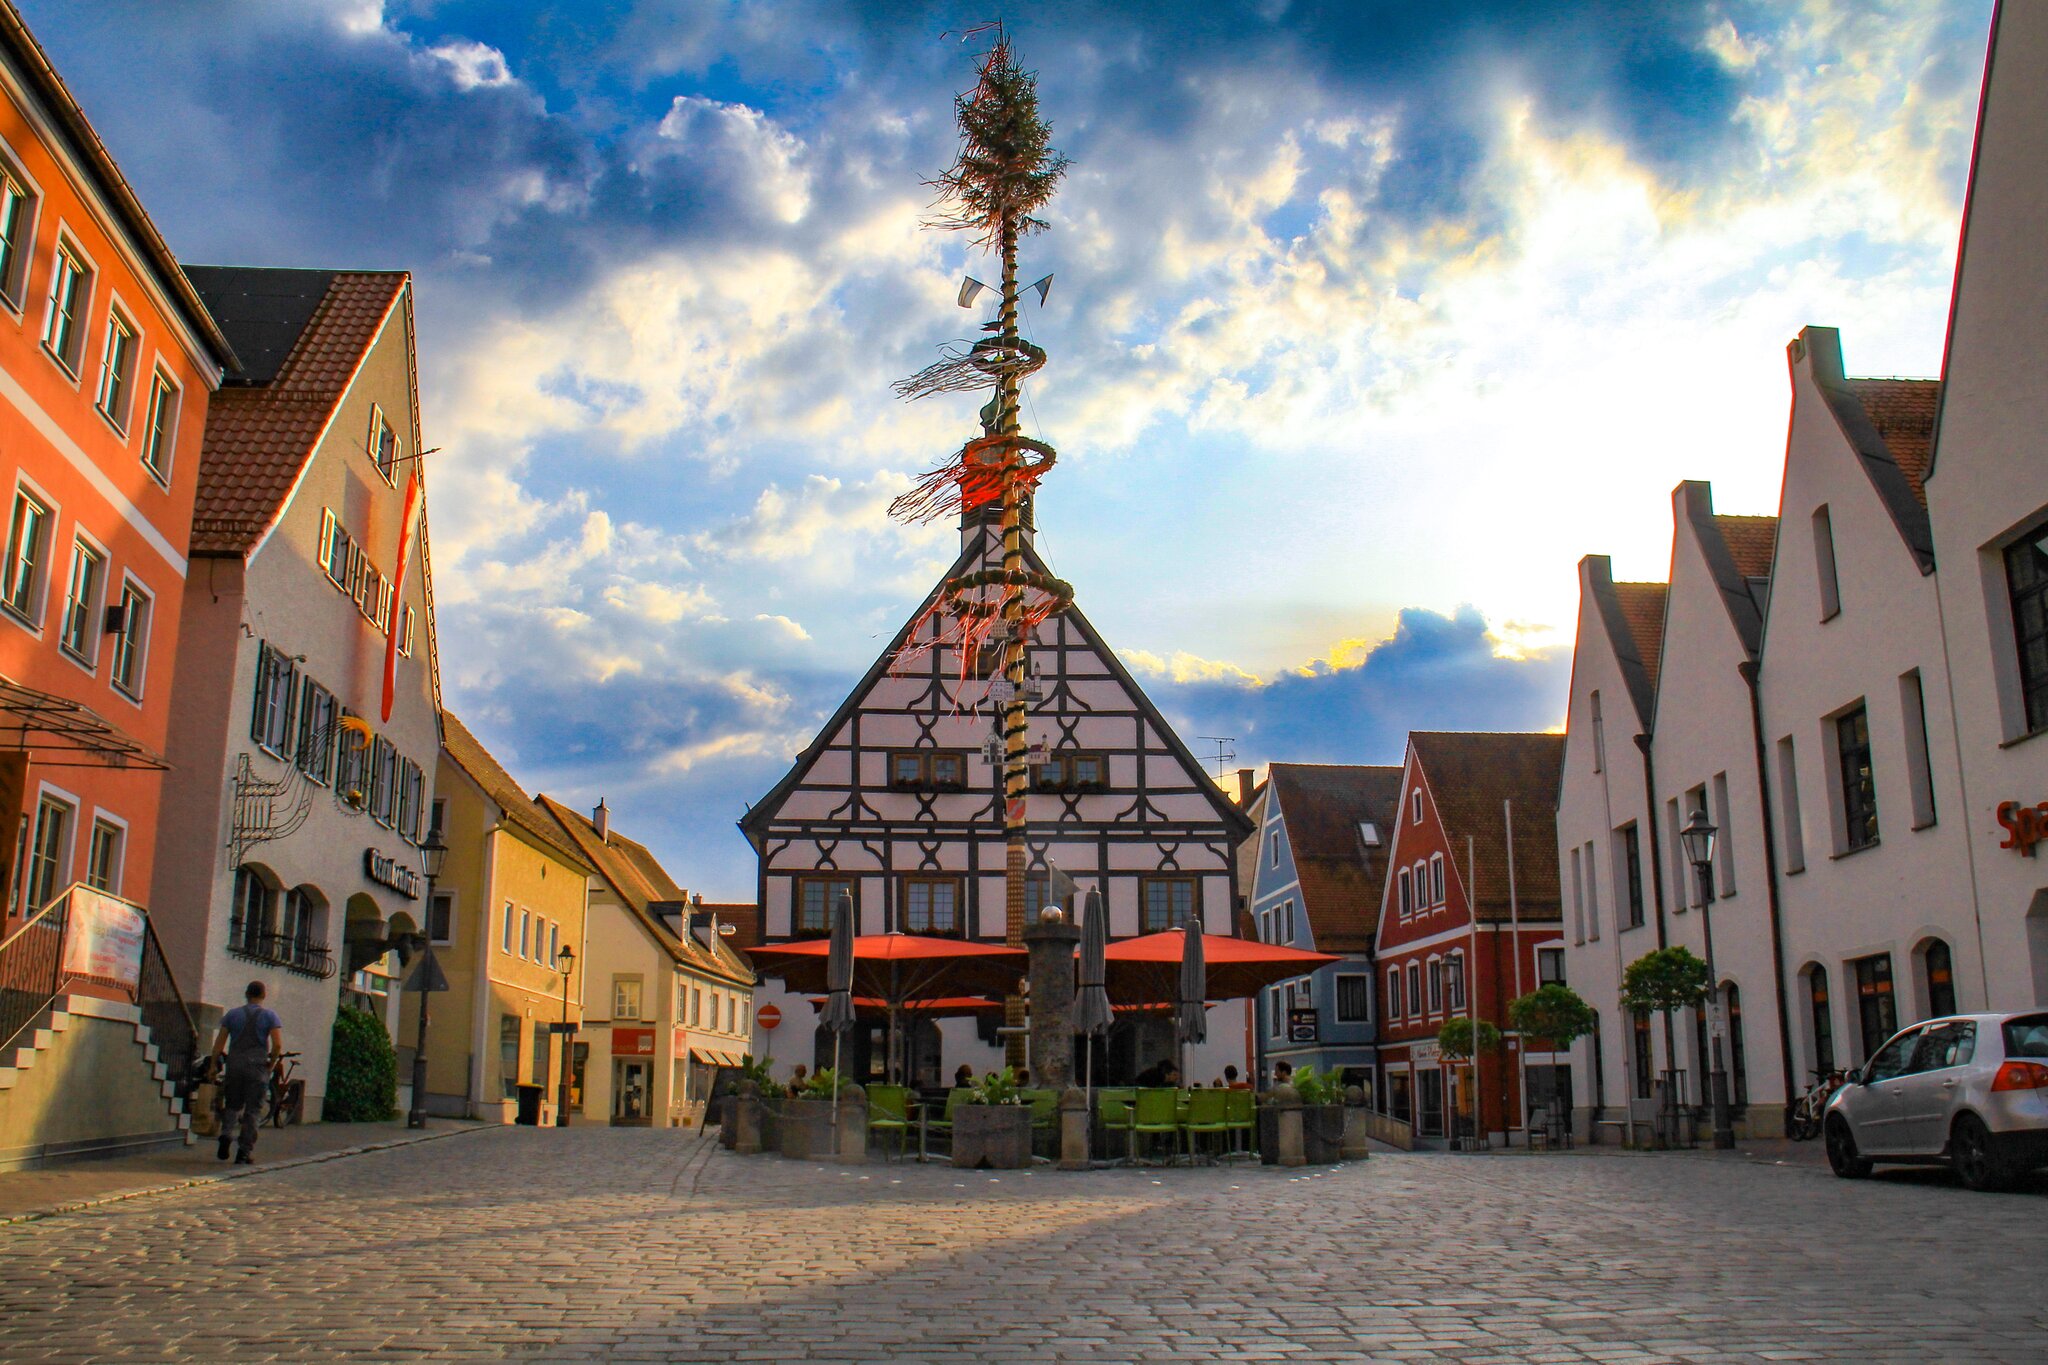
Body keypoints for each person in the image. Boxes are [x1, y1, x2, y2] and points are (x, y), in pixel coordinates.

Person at [211, 981, 282, 1164]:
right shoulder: (269, 1016)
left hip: (234, 1065)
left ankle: (226, 1135)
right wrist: (271, 1063)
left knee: (232, 1104)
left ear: (246, 994)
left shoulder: (232, 1015)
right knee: (253, 1110)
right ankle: (244, 1151)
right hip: (257, 1067)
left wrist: (213, 1064)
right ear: (264, 995)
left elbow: (219, 1043)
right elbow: (277, 1044)